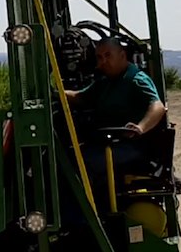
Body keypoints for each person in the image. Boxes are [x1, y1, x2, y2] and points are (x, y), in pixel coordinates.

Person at [63, 36, 167, 209]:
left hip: (132, 147)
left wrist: (141, 127)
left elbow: (157, 106)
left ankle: (83, 218)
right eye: (99, 57)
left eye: (108, 55)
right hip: (110, 144)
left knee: (80, 164)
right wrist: (56, 91)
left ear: (122, 55)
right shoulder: (106, 82)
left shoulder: (136, 79)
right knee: (68, 157)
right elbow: (81, 97)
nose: (103, 61)